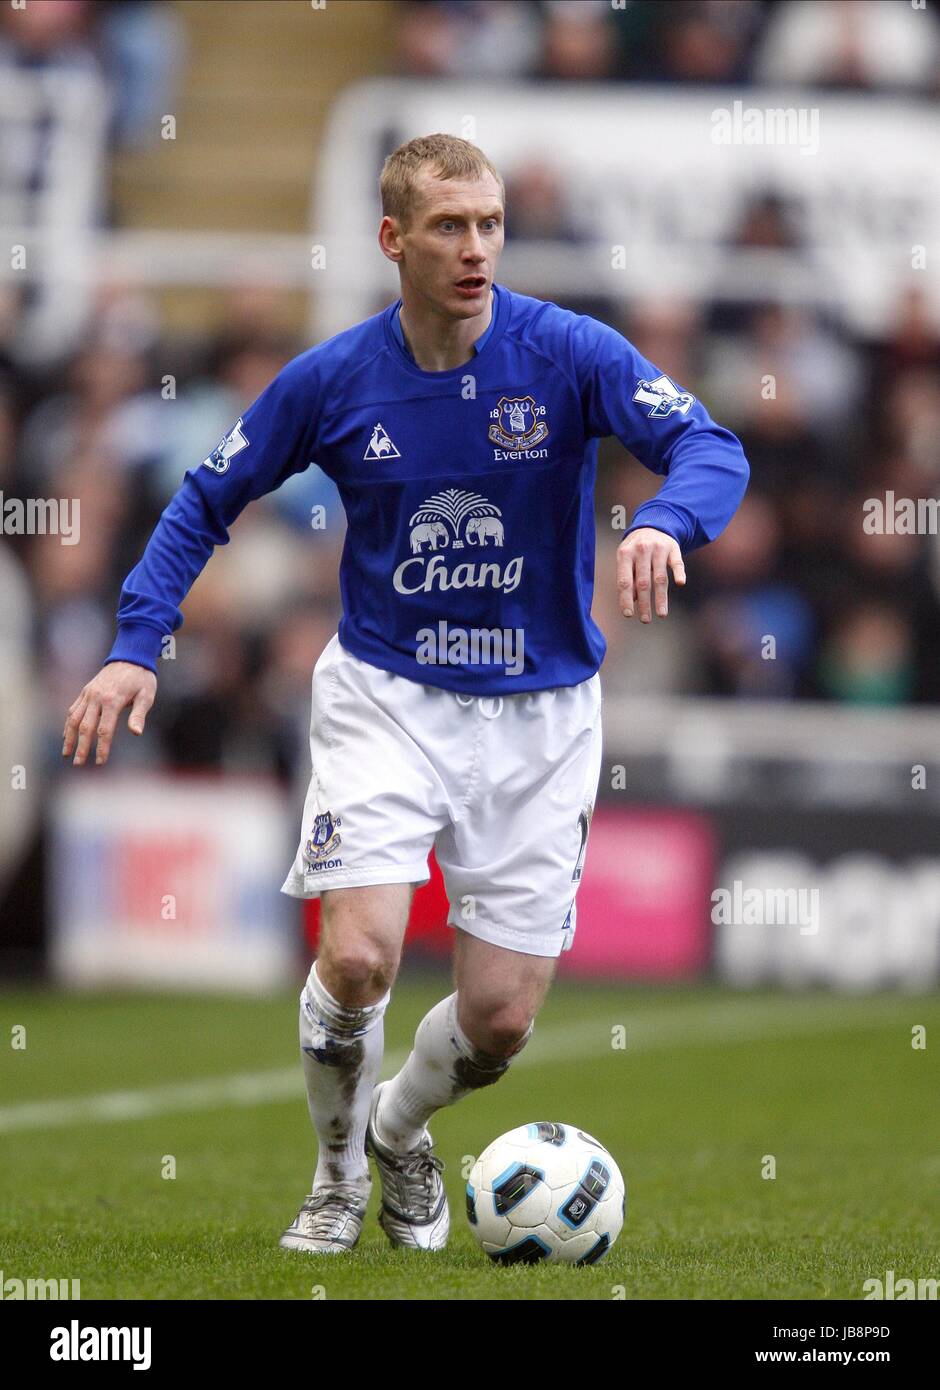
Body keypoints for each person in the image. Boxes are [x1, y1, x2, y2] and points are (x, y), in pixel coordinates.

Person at [62, 134, 749, 1255]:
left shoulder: (567, 352)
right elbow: (204, 498)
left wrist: (667, 520)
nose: (475, 248)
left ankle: (397, 1129)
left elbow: (707, 444)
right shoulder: (333, 379)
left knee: (500, 1020)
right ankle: (335, 1179)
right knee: (361, 955)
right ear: (393, 239)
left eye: (487, 224)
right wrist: (137, 641)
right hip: (387, 692)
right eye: (447, 227)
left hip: (544, 711)